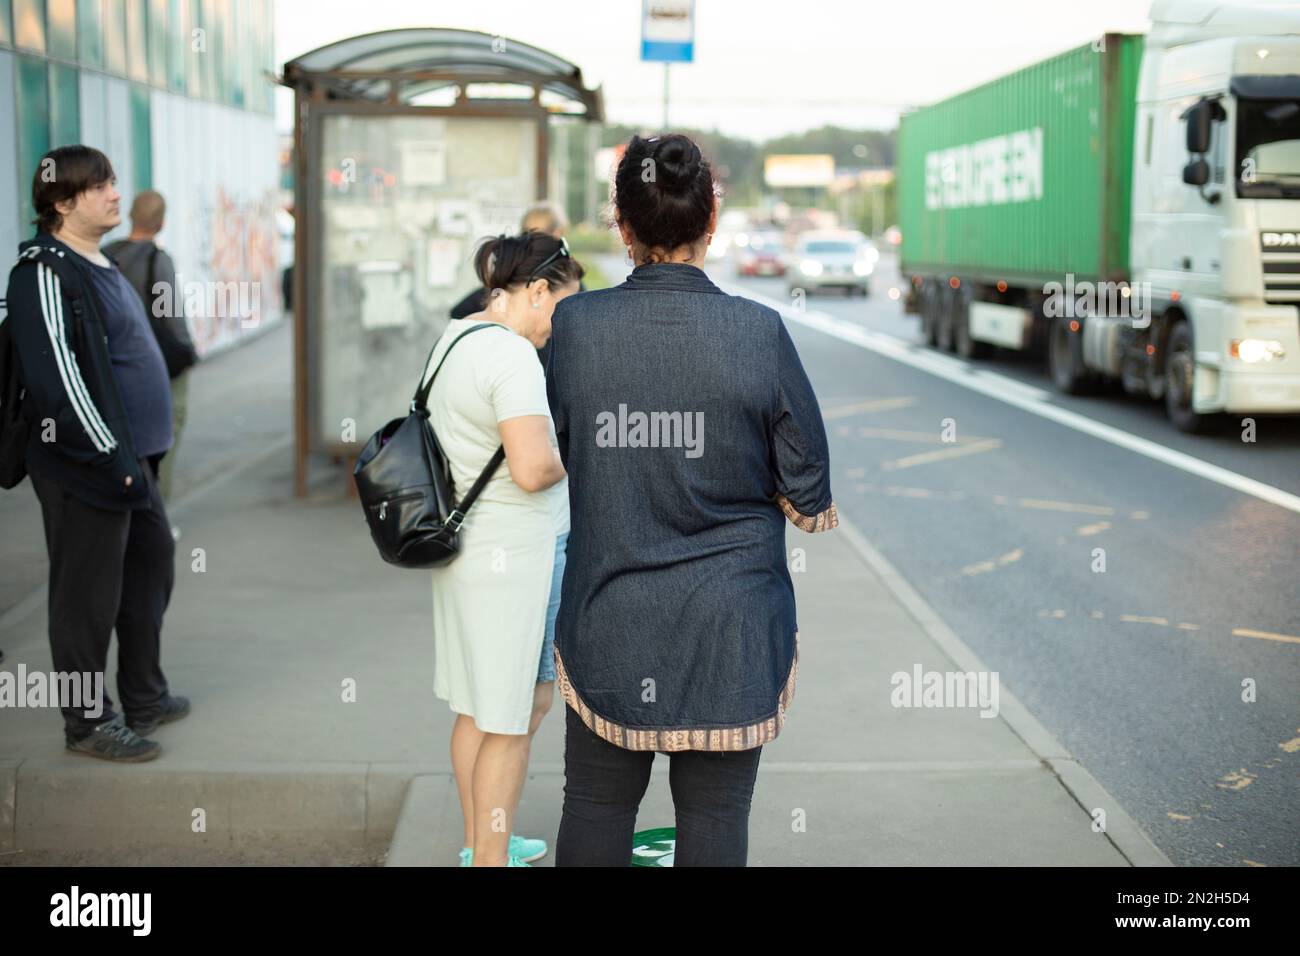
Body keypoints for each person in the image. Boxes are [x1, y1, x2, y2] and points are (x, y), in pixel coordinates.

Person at [546, 133, 837, 866]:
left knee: (595, 805)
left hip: (609, 617)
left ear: (623, 226)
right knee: (714, 815)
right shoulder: (758, 332)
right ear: (712, 223)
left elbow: (547, 458)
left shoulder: (575, 330)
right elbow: (809, 496)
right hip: (731, 629)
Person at [4, 146, 190, 762]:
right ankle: (87, 723)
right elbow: (59, 384)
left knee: (149, 568)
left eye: (113, 180)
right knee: (84, 598)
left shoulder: (100, 262)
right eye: (100, 185)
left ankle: (144, 695)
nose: (116, 192)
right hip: (86, 468)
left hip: (132, 465)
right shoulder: (42, 273)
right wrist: (113, 461)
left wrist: (134, 465)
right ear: (61, 203)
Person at [423, 231, 583, 866]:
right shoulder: (513, 357)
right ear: (537, 291)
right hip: (516, 557)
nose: (559, 326)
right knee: (511, 716)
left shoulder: (455, 337)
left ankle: (479, 843)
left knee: (478, 707)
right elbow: (532, 469)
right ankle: (491, 859)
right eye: (560, 307)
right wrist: (584, 451)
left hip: (468, 552)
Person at [103, 190, 198, 503]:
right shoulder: (159, 260)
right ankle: (157, 510)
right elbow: (171, 315)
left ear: (130, 215)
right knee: (168, 428)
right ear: (161, 223)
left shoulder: (107, 254)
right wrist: (188, 352)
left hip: (114, 362)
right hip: (158, 364)